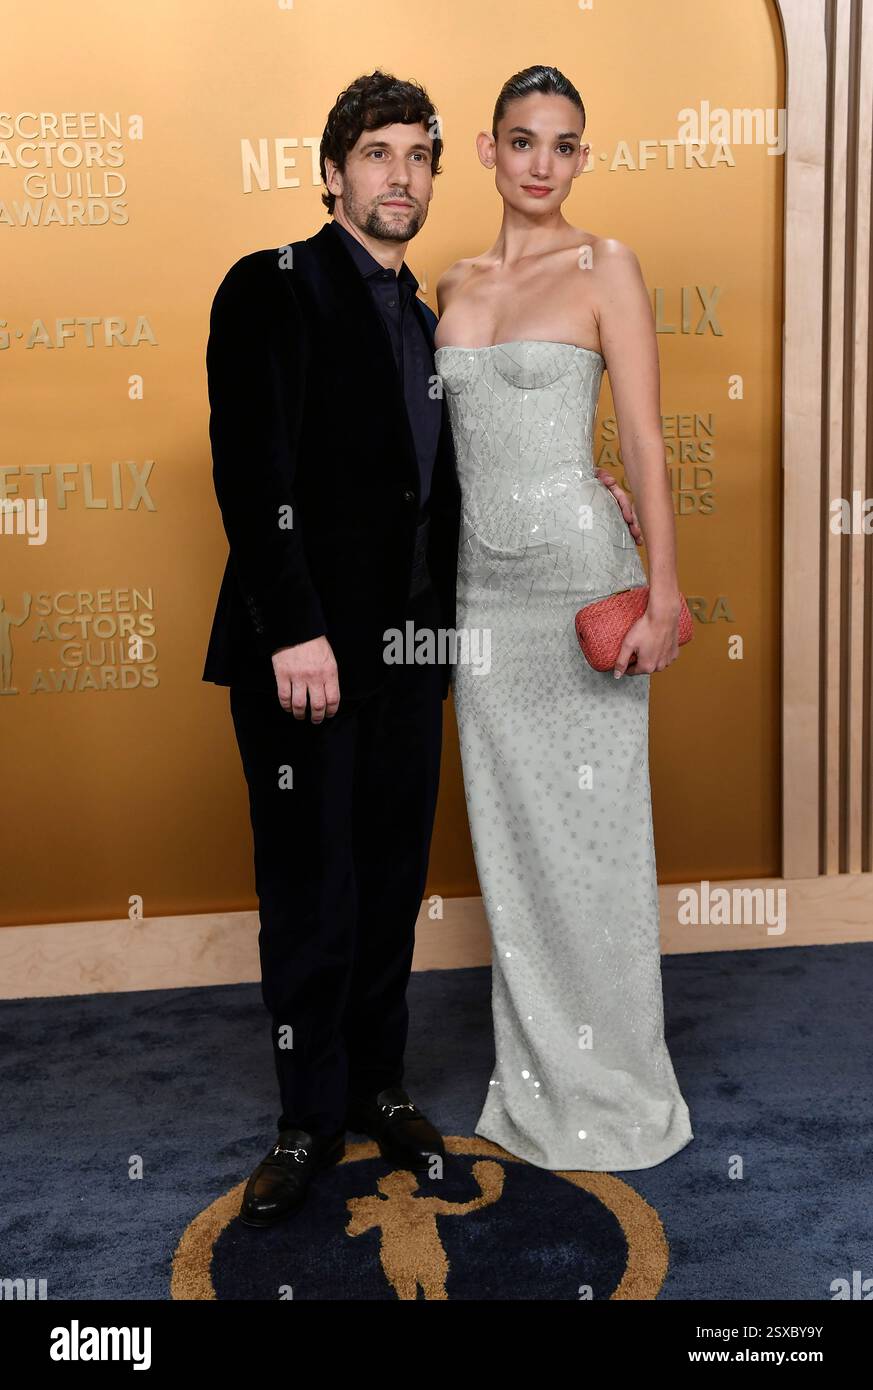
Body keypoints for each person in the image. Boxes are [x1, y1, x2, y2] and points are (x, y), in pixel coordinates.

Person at [202, 71, 464, 1227]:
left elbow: (446, 490)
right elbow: (251, 472)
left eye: (417, 155)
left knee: (391, 878)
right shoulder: (274, 288)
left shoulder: (427, 321)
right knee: (311, 890)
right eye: (376, 153)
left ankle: (379, 1085)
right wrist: (295, 628)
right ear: (332, 172)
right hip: (302, 655)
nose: (399, 174)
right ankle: (307, 1118)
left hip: (410, 654)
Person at [434, 65, 694, 1170]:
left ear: (583, 157)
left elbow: (642, 437)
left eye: (565, 145)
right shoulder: (448, 284)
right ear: (490, 151)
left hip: (582, 586)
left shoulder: (608, 265)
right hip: (481, 601)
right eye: (524, 141)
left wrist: (669, 586)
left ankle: (619, 1081)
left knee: (596, 847)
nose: (544, 164)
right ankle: (536, 1081)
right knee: (515, 853)